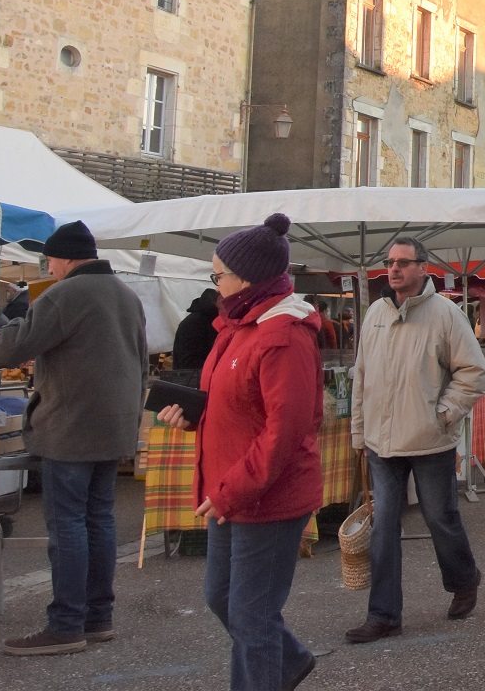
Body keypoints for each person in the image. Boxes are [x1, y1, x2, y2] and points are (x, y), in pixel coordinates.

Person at [0, 220, 146, 656]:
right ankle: (97, 618)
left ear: (63, 258)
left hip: (71, 428)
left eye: (50, 261)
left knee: (69, 526)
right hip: (113, 427)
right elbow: (139, 363)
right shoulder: (126, 295)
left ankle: (66, 624)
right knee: (98, 520)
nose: (50, 269)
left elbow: (10, 347)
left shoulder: (65, 295)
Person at [157, 213, 321, 691]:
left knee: (251, 616)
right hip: (232, 490)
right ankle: (290, 662)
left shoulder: (282, 335)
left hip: (265, 496)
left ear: (247, 279)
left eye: (219, 275)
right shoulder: (238, 327)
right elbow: (234, 404)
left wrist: (232, 491)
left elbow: (283, 433)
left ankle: (277, 668)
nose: (216, 285)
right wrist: (193, 416)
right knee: (223, 599)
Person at [346, 238, 485, 644]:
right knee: (383, 529)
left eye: (403, 263)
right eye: (390, 262)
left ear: (423, 267)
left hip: (429, 440)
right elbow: (362, 375)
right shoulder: (375, 313)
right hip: (382, 442)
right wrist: (360, 431)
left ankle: (464, 579)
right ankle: (383, 615)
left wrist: (443, 414)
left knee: (440, 518)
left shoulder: (445, 314)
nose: (394, 269)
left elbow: (473, 372)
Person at [171, 287, 221, 373]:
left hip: (190, 373)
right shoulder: (198, 322)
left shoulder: (199, 319)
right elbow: (189, 361)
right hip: (192, 375)